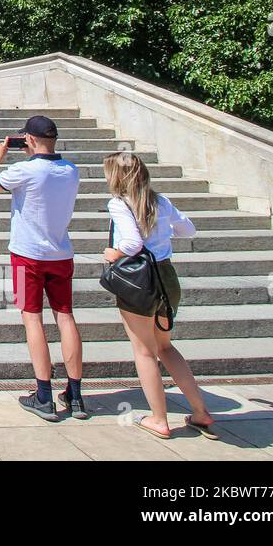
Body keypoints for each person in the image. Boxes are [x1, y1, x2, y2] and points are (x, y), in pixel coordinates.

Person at [102, 151, 218, 440]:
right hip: (166, 276)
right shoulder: (161, 201)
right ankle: (200, 410)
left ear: (117, 177)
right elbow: (188, 230)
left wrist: (114, 253)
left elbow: (130, 243)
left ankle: (159, 419)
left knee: (144, 351)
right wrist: (162, 237)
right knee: (166, 347)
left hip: (139, 279)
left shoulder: (119, 204)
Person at [0, 115, 84, 420]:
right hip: (61, 253)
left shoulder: (24, 170)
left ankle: (44, 394)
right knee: (65, 316)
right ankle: (75, 396)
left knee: (32, 319)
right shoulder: (70, 170)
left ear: (30, 140)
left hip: (28, 255)